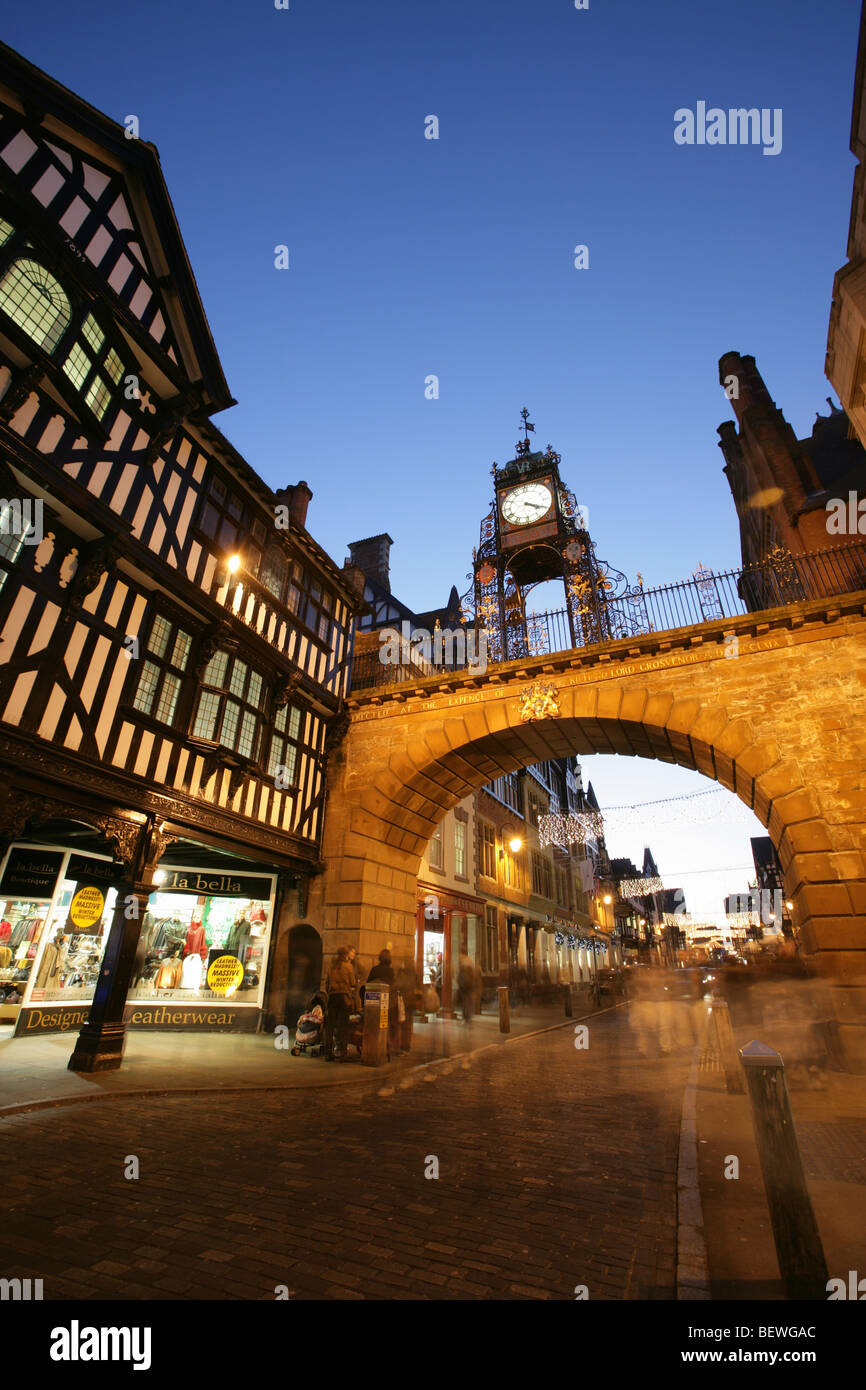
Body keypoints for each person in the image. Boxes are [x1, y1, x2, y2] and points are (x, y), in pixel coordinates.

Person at [324, 946, 356, 1061]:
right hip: (344, 998)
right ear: (346, 955)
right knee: (343, 1026)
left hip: (333, 998)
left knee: (330, 1026)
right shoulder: (348, 966)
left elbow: (326, 983)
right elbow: (353, 983)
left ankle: (328, 1053)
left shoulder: (331, 967)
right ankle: (343, 1053)